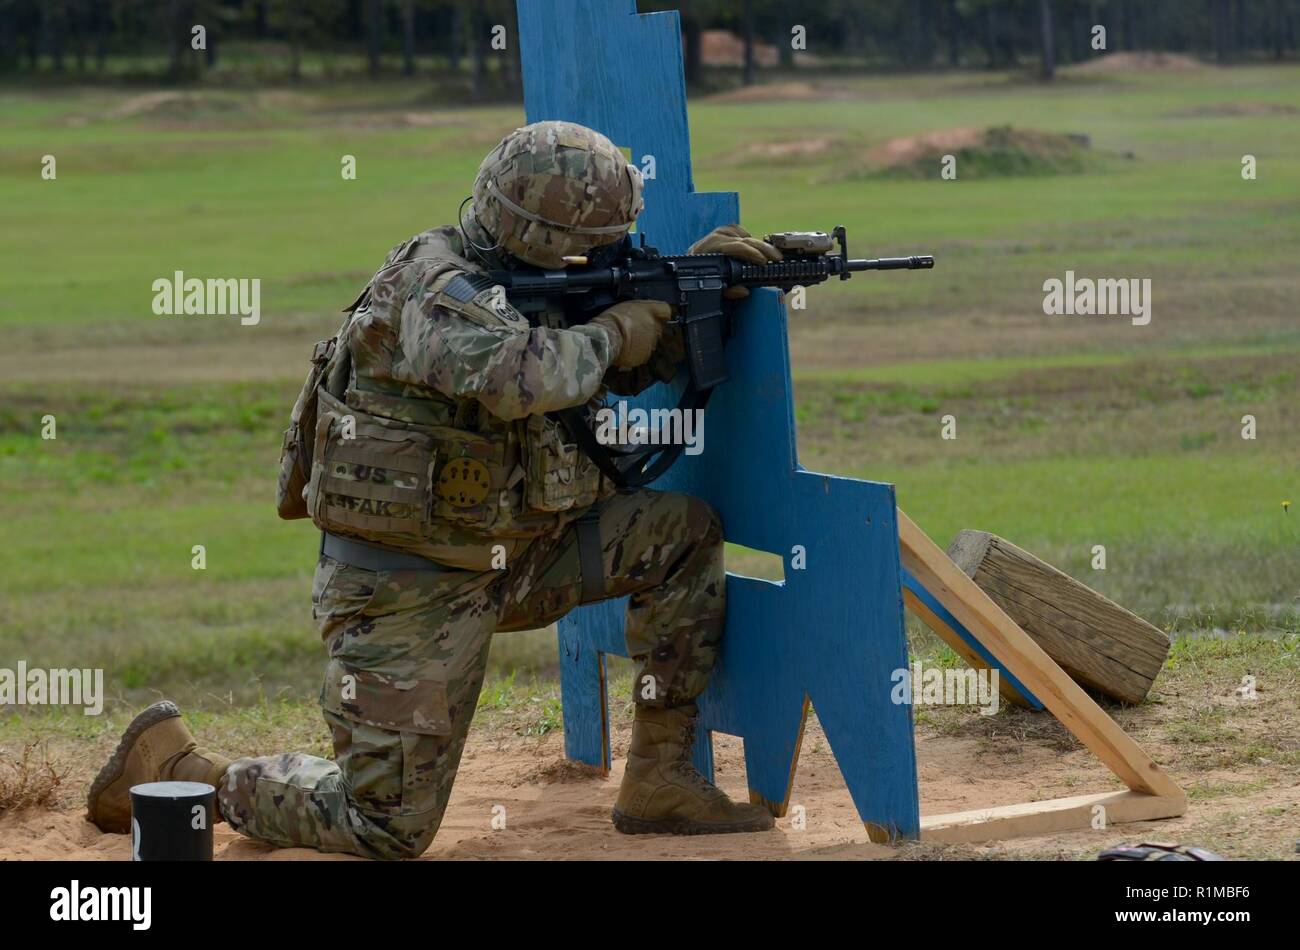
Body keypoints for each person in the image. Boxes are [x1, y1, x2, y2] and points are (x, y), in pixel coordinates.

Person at [88, 120, 783, 859]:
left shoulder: (536, 278)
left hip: (518, 559)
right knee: (386, 826)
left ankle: (659, 778)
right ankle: (179, 769)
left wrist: (692, 291)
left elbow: (608, 369)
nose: (601, 257)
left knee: (681, 535)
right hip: (405, 591)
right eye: (588, 245)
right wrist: (617, 332)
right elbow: (520, 377)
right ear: (536, 234)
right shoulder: (434, 284)